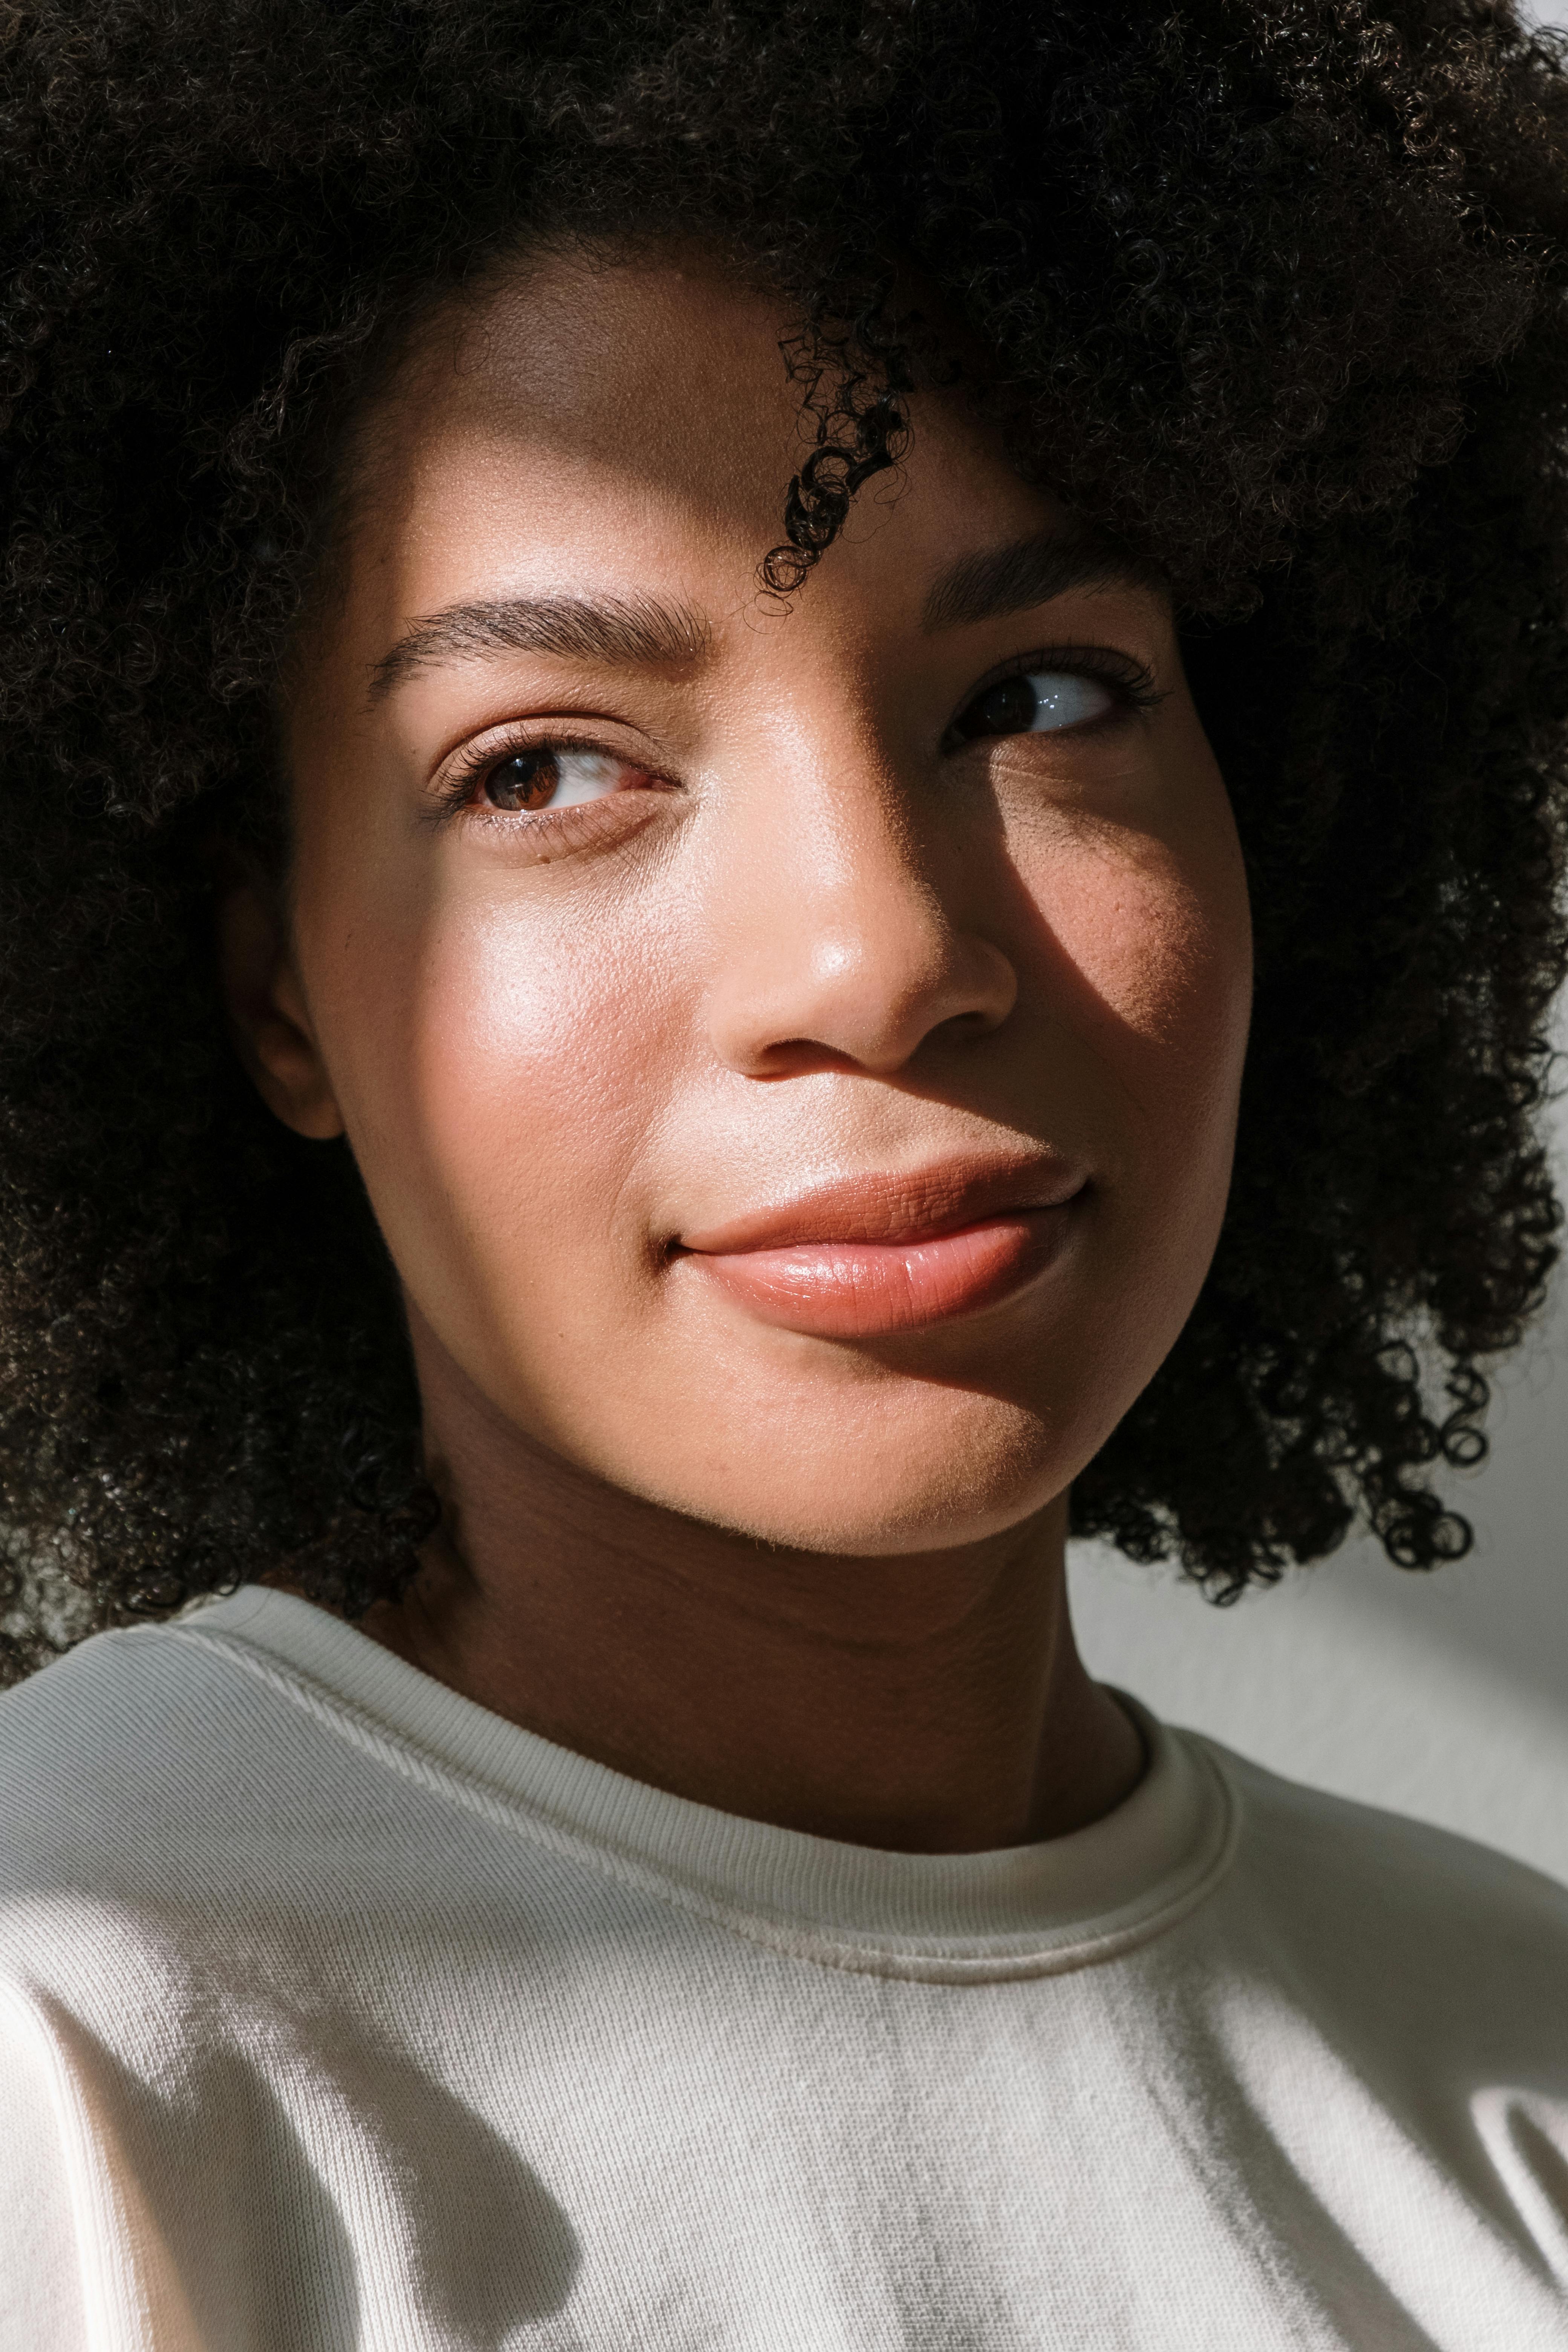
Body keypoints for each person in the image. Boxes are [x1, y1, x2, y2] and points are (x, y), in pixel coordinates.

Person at [2, 0, 1567, 2343]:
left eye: (1037, 699)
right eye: (542, 769)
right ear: (277, 995)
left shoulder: (1516, 2060)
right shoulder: (72, 2020)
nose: (885, 951)